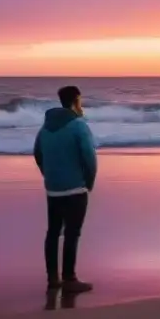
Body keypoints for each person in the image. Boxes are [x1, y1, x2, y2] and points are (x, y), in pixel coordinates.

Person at [33, 85, 98, 293]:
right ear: (76, 100)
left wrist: (48, 175)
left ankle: (53, 279)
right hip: (75, 189)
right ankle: (69, 278)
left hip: (53, 190)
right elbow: (89, 157)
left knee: (53, 233)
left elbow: (37, 154)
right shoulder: (79, 126)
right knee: (72, 233)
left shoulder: (45, 128)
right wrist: (89, 182)